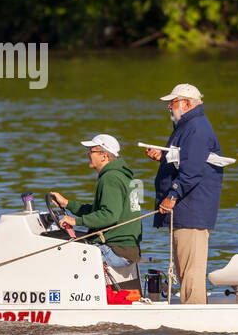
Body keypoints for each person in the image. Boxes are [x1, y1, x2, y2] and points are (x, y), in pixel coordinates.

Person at [146, 83, 224, 304]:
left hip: (191, 211)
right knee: (185, 272)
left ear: (187, 104)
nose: (169, 107)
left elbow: (192, 171)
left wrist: (171, 197)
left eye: (172, 103)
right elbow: (186, 159)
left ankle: (194, 331)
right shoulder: (188, 126)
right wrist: (163, 157)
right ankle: (190, 325)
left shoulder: (196, 128)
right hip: (185, 211)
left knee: (191, 273)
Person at [52, 134, 143, 289]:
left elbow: (109, 215)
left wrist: (75, 221)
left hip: (116, 250)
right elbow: (100, 211)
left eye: (91, 151)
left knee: (60, 255)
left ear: (104, 156)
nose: (88, 154)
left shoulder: (110, 178)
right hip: (130, 250)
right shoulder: (124, 176)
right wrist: (67, 204)